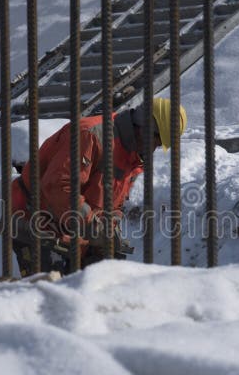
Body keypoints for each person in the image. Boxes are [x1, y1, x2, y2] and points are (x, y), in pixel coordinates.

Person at [11, 97, 187, 276]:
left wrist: (109, 232)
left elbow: (113, 202)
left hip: (71, 228)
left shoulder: (133, 157)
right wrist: (93, 227)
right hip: (34, 218)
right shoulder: (92, 136)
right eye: (156, 141)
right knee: (50, 292)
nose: (154, 149)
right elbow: (58, 187)